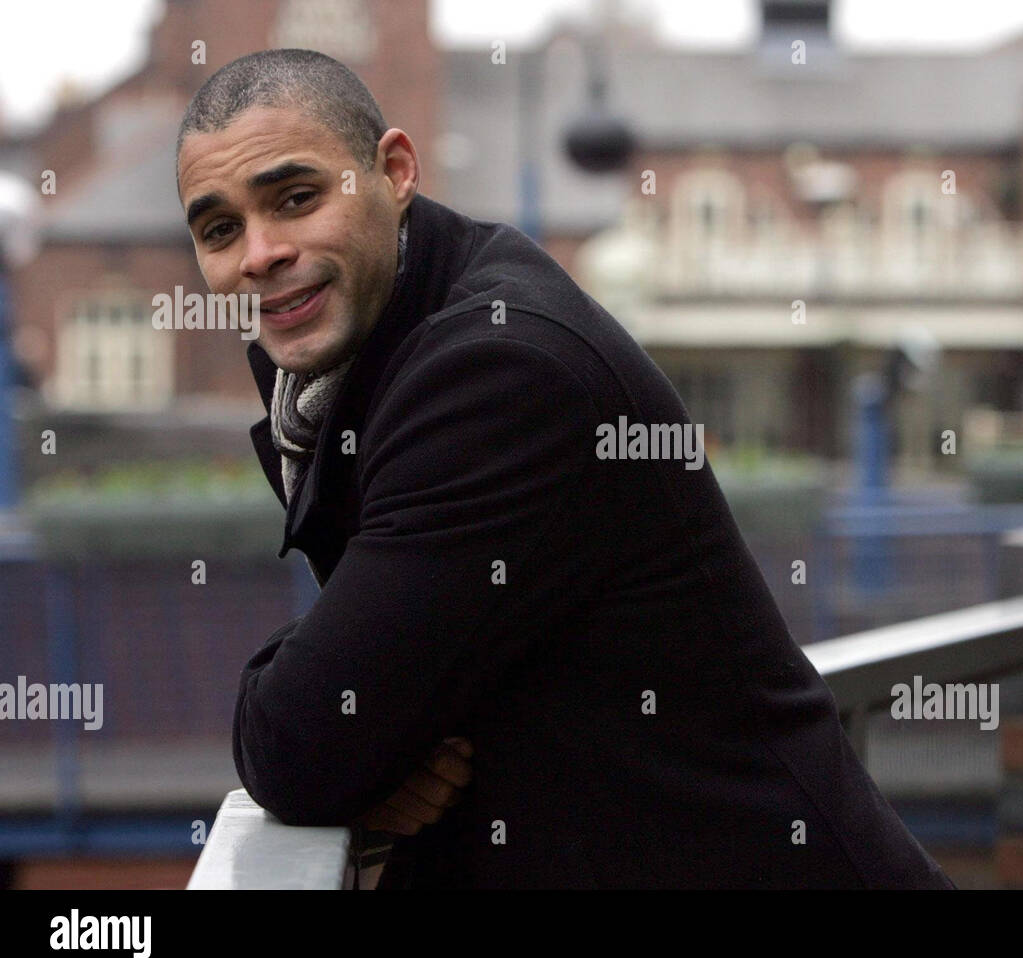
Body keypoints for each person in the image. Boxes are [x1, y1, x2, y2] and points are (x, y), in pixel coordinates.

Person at [175, 48, 955, 889]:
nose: (258, 253)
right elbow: (353, 711)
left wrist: (320, 697)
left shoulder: (496, 371)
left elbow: (302, 742)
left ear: (395, 171)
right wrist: (365, 713)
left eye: (296, 198)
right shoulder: (361, 352)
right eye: (220, 229)